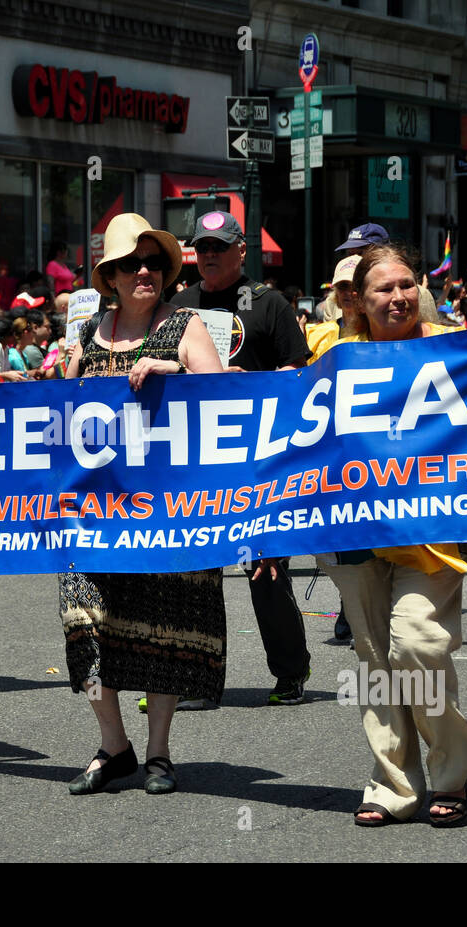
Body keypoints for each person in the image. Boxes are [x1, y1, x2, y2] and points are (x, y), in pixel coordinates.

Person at [310, 242, 467, 826]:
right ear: (357, 302)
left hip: (428, 534)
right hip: (352, 533)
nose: (398, 297)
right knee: (372, 662)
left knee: (418, 646)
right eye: (382, 290)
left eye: (405, 285)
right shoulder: (333, 354)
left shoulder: (454, 348)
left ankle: (451, 773)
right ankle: (393, 787)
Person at [61, 212, 224, 796]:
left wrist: (173, 368)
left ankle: (158, 752)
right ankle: (114, 746)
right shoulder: (83, 338)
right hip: (92, 517)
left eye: (154, 262)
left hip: (168, 512)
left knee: (165, 627)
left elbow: (228, 398)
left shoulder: (184, 326)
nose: (145, 271)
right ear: (111, 276)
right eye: (132, 264)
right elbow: (53, 415)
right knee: (85, 623)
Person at [169, 210, 313, 705]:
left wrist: (244, 379)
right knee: (194, 574)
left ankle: (291, 671)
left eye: (219, 247)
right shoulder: (179, 306)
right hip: (197, 459)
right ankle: (194, 678)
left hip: (259, 460)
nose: (209, 255)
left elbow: (299, 371)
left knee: (265, 570)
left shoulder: (269, 303)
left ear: (240, 251)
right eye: (202, 247)